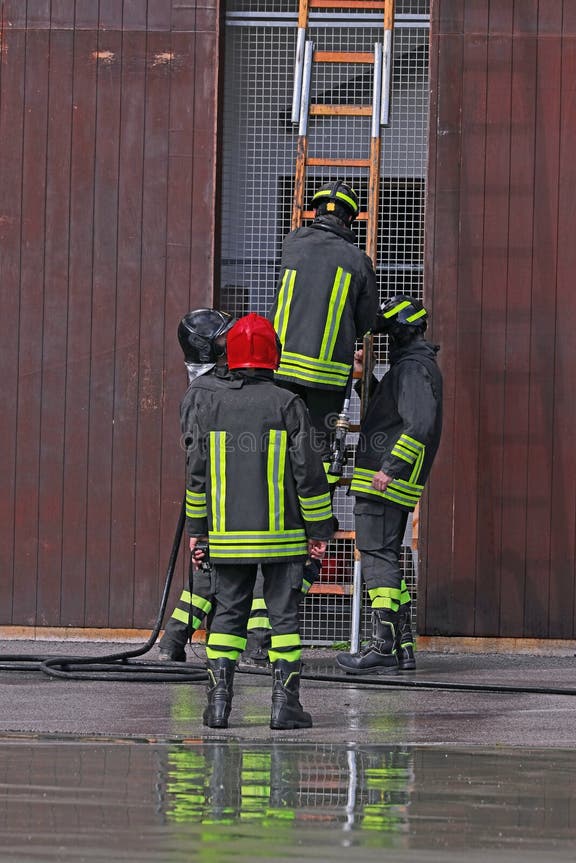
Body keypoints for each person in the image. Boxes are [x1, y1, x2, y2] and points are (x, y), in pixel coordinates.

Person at [184, 313, 334, 729]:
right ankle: (284, 707)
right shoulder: (286, 403)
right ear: (274, 356)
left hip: (227, 539)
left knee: (228, 616)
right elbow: (308, 472)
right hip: (283, 538)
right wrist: (319, 531)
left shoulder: (210, 403)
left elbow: (197, 474)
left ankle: (218, 705)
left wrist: (198, 534)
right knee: (282, 618)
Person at [158, 309, 322, 664]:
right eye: (223, 338)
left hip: (227, 505)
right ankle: (230, 644)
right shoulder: (206, 392)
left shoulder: (223, 385)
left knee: (223, 581)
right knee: (233, 581)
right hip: (234, 504)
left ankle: (185, 644)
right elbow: (198, 458)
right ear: (208, 347)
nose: (231, 342)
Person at [336, 295, 443, 674]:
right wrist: (367, 379)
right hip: (389, 483)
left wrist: (390, 468)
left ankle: (381, 644)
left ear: (399, 330)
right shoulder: (410, 368)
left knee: (377, 557)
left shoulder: (413, 369)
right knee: (389, 560)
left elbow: (419, 425)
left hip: (383, 483)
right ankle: (403, 646)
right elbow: (392, 412)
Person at [268, 180, 380, 491]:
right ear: (350, 219)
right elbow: (367, 322)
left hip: (280, 369)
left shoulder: (293, 243)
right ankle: (317, 519)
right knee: (320, 449)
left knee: (279, 442)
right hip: (327, 378)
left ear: (315, 212)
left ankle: (280, 508)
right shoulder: (358, 261)